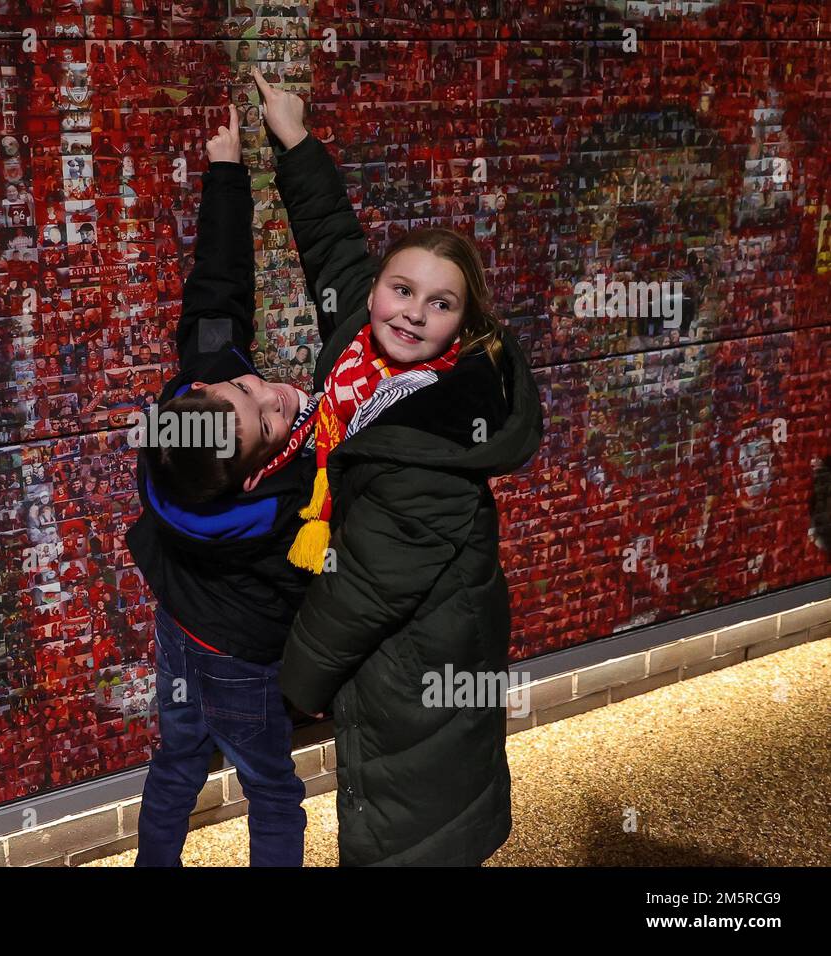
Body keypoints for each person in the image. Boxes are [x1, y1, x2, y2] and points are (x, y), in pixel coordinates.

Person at [253, 70, 544, 866]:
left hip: (423, 658)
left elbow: (364, 589)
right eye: (401, 289)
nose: (412, 311)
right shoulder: (363, 346)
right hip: (421, 644)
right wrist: (294, 138)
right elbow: (333, 247)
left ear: (464, 324)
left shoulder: (436, 427)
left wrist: (295, 689)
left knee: (408, 824)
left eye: (440, 303)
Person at [127, 104, 320, 868]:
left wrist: (227, 170)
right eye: (267, 424)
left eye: (245, 388)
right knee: (271, 791)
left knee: (176, 764)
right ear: (250, 473)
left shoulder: (184, 443)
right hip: (240, 658)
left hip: (180, 631)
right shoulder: (291, 507)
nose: (271, 394)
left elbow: (218, 283)